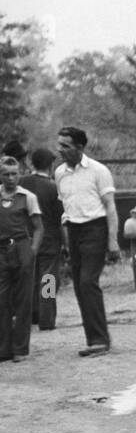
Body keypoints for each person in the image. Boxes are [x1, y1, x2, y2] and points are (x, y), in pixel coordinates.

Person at [54, 126, 118, 357]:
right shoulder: (60, 173)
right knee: (81, 288)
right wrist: (65, 241)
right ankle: (93, 339)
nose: (60, 149)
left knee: (87, 283)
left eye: (65, 145)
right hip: (73, 231)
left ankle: (101, 340)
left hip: (95, 230)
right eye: (59, 144)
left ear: (80, 147)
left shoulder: (98, 171)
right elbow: (65, 208)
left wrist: (113, 241)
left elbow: (110, 207)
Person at [0, 154, 43, 362]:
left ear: (20, 175)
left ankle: (20, 348)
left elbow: (38, 228)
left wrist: (32, 251)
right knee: (2, 300)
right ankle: (4, 348)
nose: (10, 178)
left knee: (24, 299)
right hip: (2, 251)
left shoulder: (28, 197)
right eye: (6, 174)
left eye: (14, 174)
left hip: (23, 248)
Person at [20, 146, 62, 330]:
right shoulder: (53, 187)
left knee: (28, 278)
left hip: (25, 239)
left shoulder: (21, 182)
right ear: (50, 165)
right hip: (49, 241)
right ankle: (47, 319)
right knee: (48, 280)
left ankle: (29, 316)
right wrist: (66, 244)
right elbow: (60, 220)